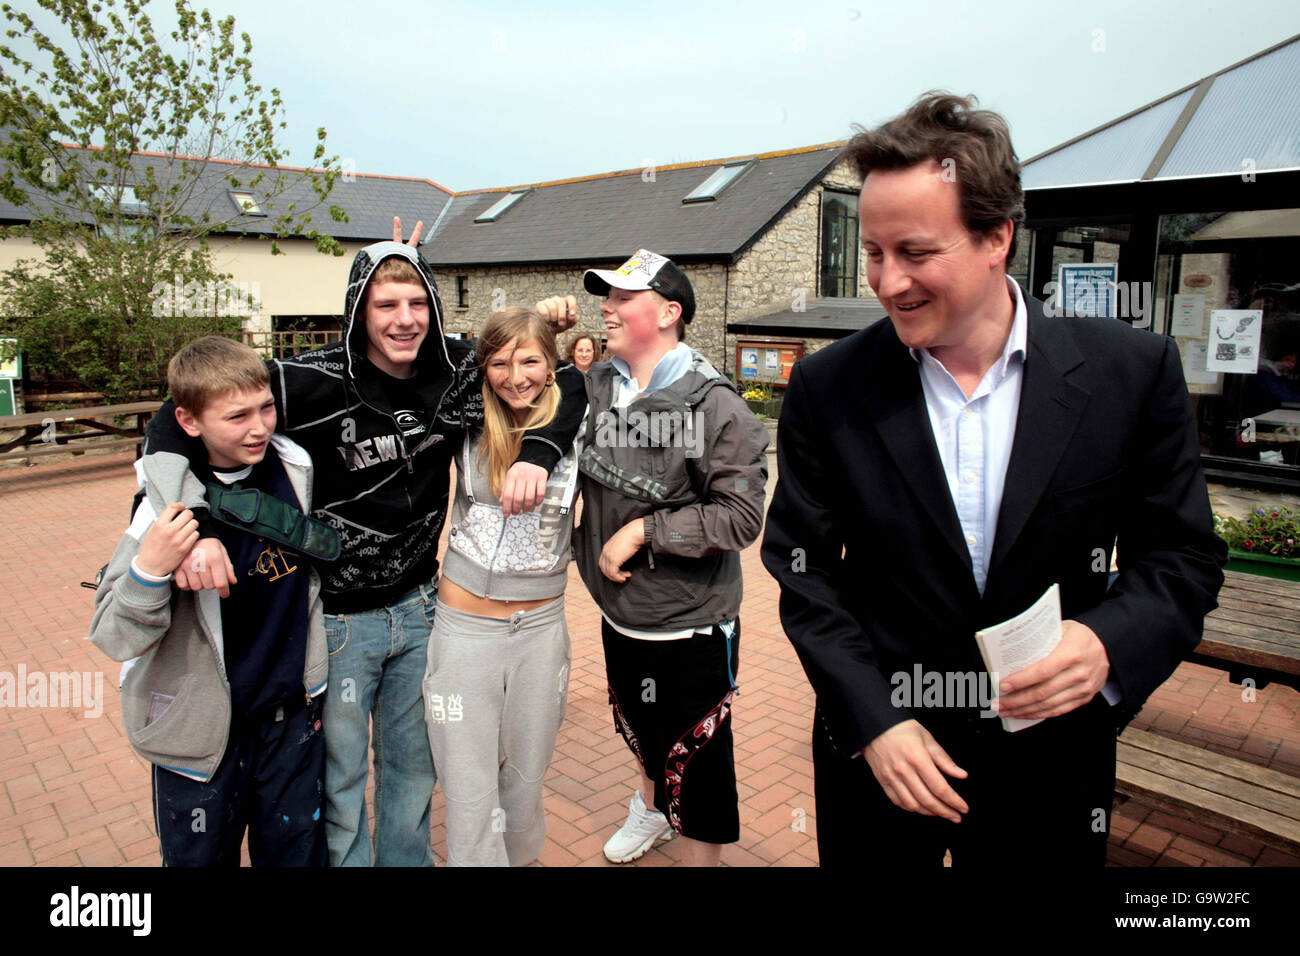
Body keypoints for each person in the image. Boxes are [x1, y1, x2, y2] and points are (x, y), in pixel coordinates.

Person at [760, 92, 1226, 867]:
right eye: (873, 252)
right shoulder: (828, 388)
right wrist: (874, 721)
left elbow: (1182, 557)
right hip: (884, 757)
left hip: (1050, 765)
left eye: (914, 252)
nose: (886, 281)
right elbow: (804, 577)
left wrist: (1106, 641)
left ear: (996, 237)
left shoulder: (1131, 374)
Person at [140, 220, 584, 866]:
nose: (404, 320)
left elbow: (566, 382)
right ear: (357, 310)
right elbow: (175, 418)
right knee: (341, 782)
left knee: (413, 774)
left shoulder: (456, 369)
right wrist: (191, 528)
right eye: (385, 305)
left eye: (416, 304)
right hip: (341, 621)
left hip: (425, 608)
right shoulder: (306, 380)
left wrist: (540, 441)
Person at [538, 249, 769, 866]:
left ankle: (688, 837)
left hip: (689, 623)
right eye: (604, 297)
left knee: (696, 764)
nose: (606, 310)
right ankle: (651, 810)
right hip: (620, 614)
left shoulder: (715, 406)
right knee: (641, 730)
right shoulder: (598, 385)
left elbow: (743, 517)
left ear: (669, 313)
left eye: (621, 299)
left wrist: (645, 532)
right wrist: (538, 327)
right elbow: (507, 380)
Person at [90, 336, 330, 866]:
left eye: (266, 408)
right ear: (188, 421)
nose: (259, 427)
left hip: (290, 720)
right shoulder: (163, 509)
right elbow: (112, 634)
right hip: (202, 738)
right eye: (236, 416)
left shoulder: (294, 467)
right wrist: (153, 569)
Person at [422, 307, 580, 866]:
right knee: (467, 785)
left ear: (553, 362)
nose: (517, 377)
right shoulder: (466, 415)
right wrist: (533, 318)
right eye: (500, 362)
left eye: (531, 360)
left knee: (526, 777)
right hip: (465, 627)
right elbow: (436, 360)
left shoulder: (578, 415)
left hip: (540, 629)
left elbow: (583, 379)